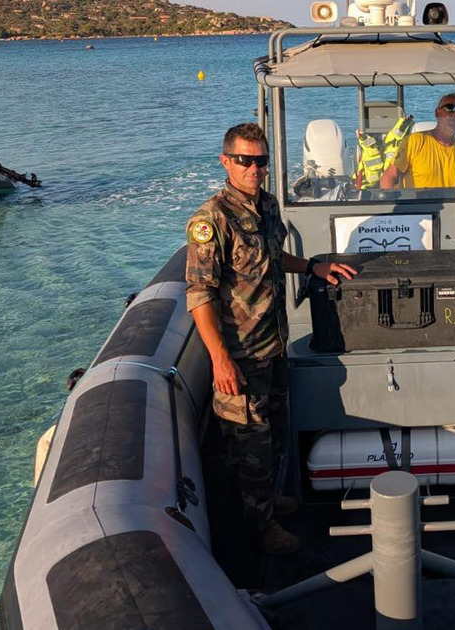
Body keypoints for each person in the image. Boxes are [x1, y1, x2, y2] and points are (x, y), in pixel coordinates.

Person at [185, 123, 356, 554]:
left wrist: (313, 267)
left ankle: (266, 505)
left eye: (261, 160)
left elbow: (271, 257)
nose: (254, 168)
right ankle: (258, 530)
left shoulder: (267, 205)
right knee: (249, 448)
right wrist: (220, 360)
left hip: (273, 345)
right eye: (245, 160)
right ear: (226, 161)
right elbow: (200, 295)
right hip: (240, 355)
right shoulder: (211, 219)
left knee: (273, 433)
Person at [379, 92, 455, 190]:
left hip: (451, 205)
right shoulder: (414, 141)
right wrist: (392, 203)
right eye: (450, 108)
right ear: (437, 113)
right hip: (416, 204)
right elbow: (388, 178)